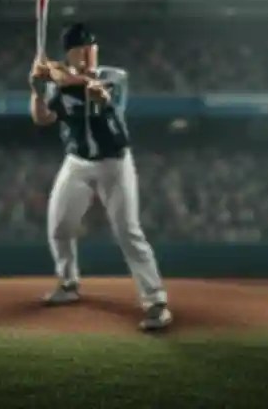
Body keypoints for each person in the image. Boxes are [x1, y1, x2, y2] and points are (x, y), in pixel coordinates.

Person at [29, 22, 172, 332]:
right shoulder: (57, 83)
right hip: (77, 162)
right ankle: (68, 284)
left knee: (127, 232)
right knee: (59, 225)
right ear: (70, 52)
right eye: (82, 48)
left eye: (92, 47)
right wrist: (36, 89)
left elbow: (90, 89)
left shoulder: (113, 76)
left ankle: (156, 301)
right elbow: (42, 118)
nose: (90, 53)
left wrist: (51, 72)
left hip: (114, 164)